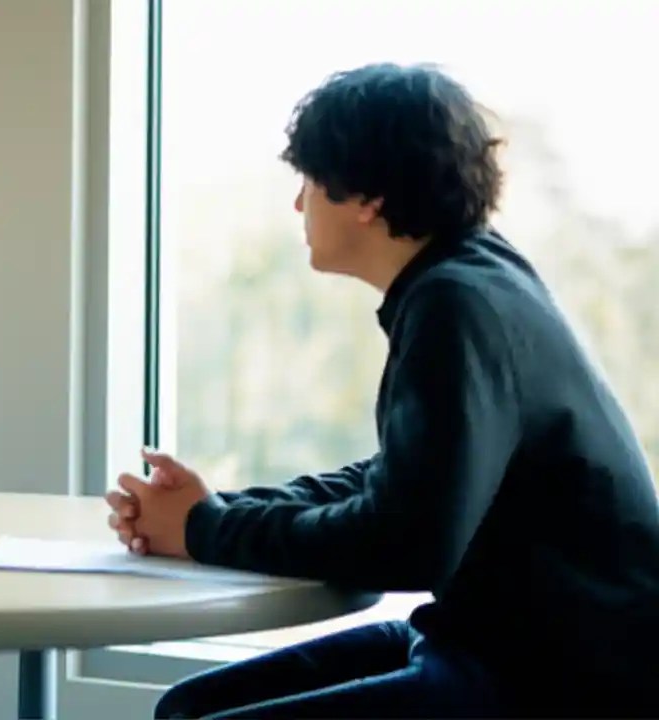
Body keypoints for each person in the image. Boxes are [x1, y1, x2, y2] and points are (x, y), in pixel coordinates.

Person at [106, 62, 659, 718]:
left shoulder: (454, 303)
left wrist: (205, 528)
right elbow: (409, 477)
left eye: (309, 181)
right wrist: (218, 509)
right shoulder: (478, 276)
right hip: (499, 644)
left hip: (553, 682)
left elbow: (403, 543)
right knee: (186, 708)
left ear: (367, 197)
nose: (297, 204)